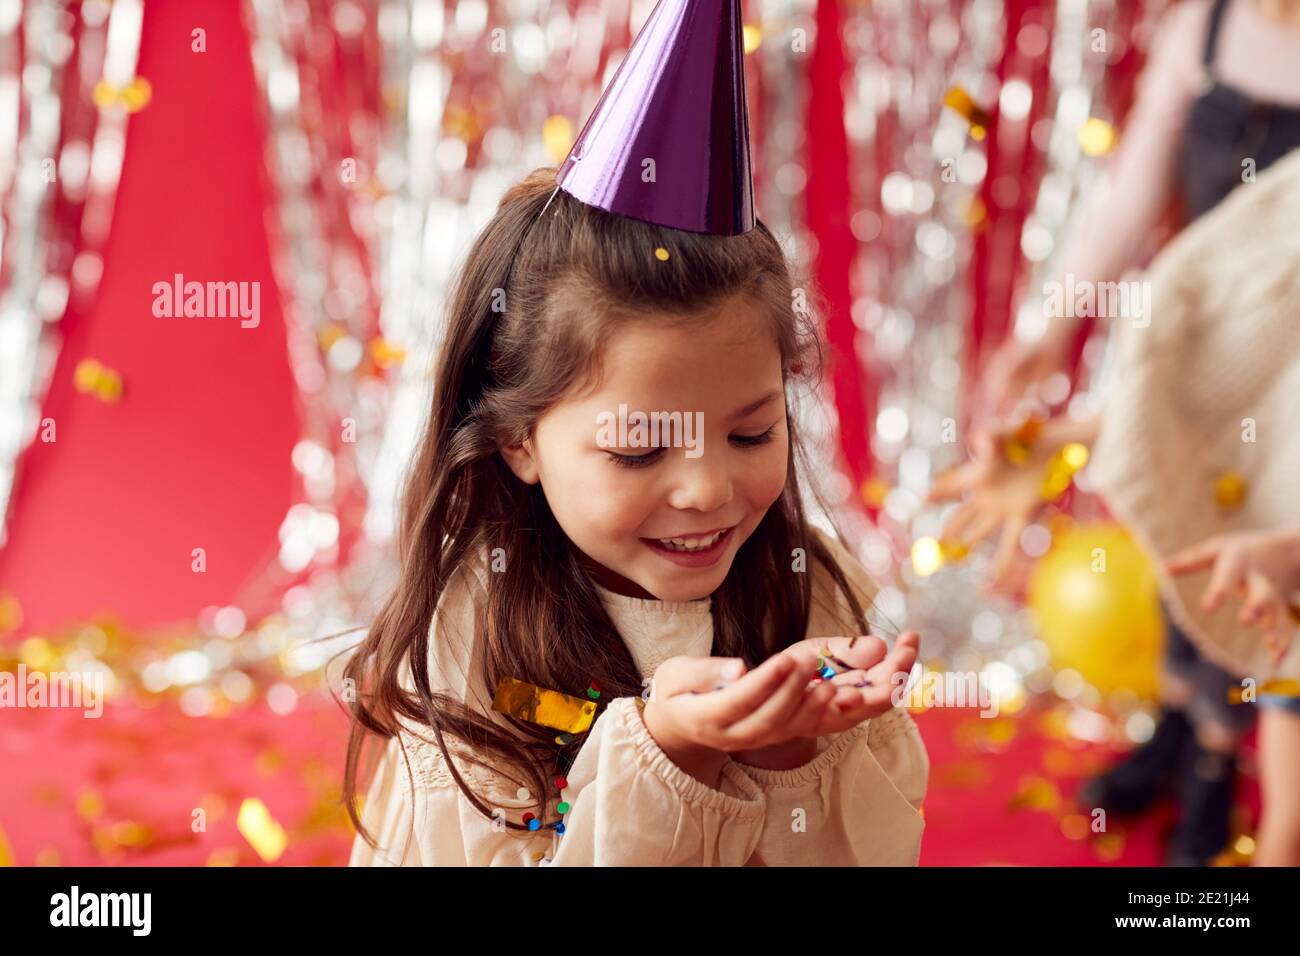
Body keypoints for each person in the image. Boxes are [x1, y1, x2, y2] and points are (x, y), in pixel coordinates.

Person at [342, 0, 928, 867]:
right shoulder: (476, 629)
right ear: (518, 440)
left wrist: (785, 750)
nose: (707, 491)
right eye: (639, 449)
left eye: (752, 433)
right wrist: (671, 755)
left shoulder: (807, 593)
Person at [948, 0, 1300, 865]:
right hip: (1199, 342)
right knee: (1180, 536)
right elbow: (1133, 189)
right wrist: (1049, 330)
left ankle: (1219, 760)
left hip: (1285, 362)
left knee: (1252, 566)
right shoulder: (1206, 27)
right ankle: (1178, 728)